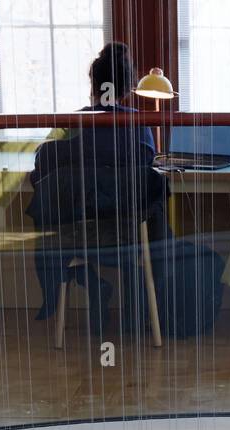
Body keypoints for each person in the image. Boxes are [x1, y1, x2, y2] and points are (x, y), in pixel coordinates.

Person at [27, 42, 166, 333]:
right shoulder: (139, 127)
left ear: (93, 84)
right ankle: (136, 318)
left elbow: (43, 177)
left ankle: (91, 282)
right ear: (128, 88)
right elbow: (150, 177)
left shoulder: (73, 124)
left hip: (74, 236)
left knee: (58, 231)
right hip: (127, 235)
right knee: (148, 224)